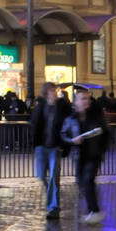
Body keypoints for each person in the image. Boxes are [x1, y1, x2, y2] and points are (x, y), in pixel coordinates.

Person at [62, 87, 110, 224]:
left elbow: (106, 133)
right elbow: (63, 134)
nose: (86, 101)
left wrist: (101, 150)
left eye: (87, 98)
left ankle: (94, 211)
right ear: (76, 102)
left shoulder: (95, 115)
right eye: (83, 99)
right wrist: (71, 141)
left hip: (93, 155)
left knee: (88, 180)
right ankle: (92, 211)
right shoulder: (71, 118)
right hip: (79, 155)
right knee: (82, 182)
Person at [29, 82, 71, 219]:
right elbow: (35, 124)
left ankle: (53, 207)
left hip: (55, 147)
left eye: (55, 90)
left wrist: (64, 145)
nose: (54, 93)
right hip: (41, 146)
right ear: (46, 93)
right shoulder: (41, 106)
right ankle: (52, 198)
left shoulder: (62, 107)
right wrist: (34, 144)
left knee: (54, 178)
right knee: (41, 175)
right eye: (52, 91)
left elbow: (67, 125)